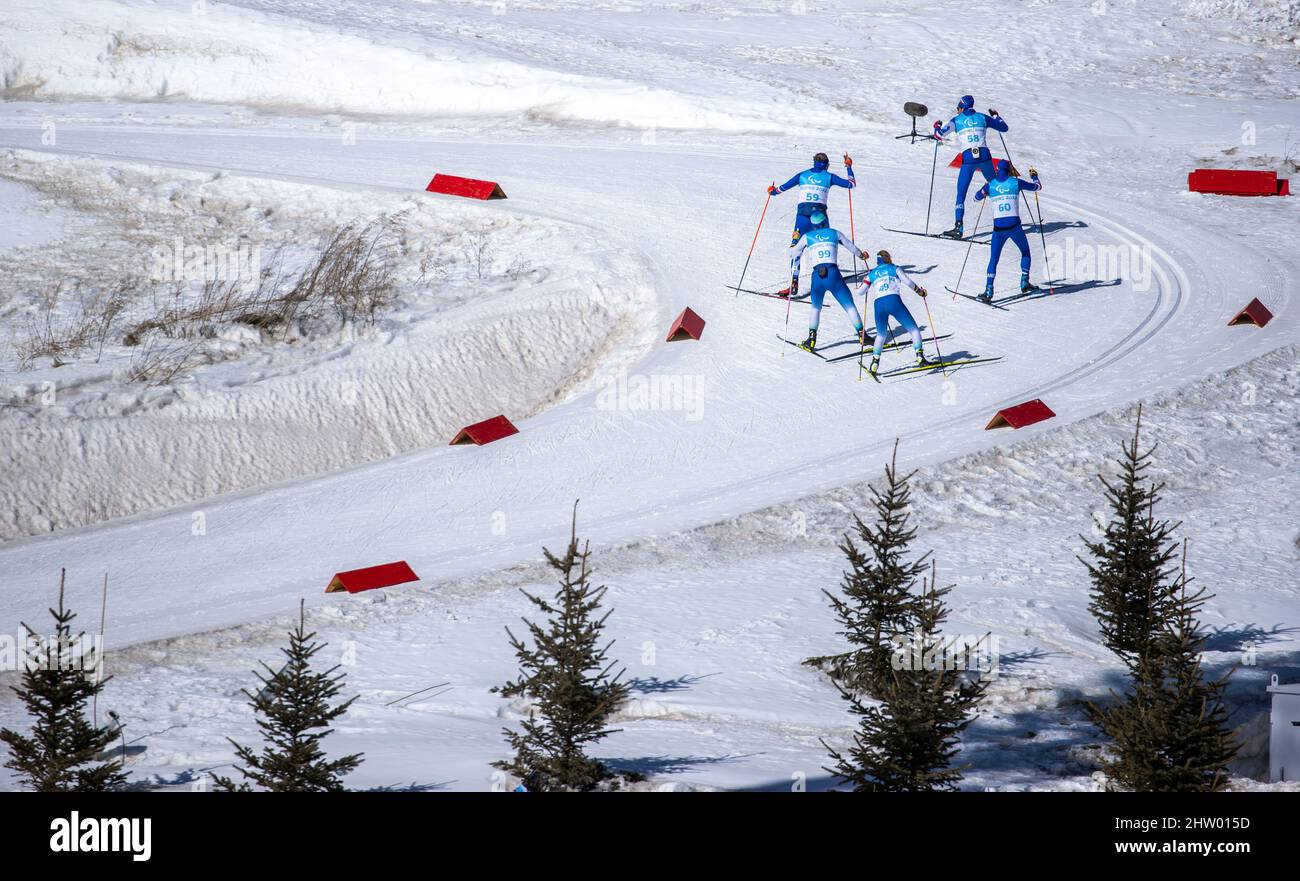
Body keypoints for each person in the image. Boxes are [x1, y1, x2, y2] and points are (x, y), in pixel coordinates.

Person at [788, 210, 867, 352]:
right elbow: (851, 247)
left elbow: (792, 254)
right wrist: (862, 255)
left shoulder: (807, 237)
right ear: (825, 221)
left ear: (812, 225)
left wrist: (794, 240)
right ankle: (862, 335)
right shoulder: (834, 233)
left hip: (817, 277)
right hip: (833, 274)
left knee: (815, 307)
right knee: (849, 304)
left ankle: (811, 339)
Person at [932, 95, 1009, 239]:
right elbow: (1004, 128)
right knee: (997, 187)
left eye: (958, 108)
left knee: (961, 194)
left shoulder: (957, 120)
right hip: (985, 157)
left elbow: (938, 135)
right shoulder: (983, 117)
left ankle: (958, 228)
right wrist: (997, 116)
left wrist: (936, 125)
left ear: (962, 108)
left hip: (968, 160)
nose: (957, 111)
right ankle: (1006, 222)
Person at [768, 152, 857, 273]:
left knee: (796, 247)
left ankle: (793, 281)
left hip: (802, 215)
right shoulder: (829, 177)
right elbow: (851, 184)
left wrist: (772, 191)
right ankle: (826, 272)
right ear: (827, 165)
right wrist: (849, 166)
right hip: (820, 216)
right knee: (824, 242)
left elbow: (779, 190)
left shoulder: (802, 175)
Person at [973, 164, 1042, 300]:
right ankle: (1024, 282)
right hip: (1014, 227)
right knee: (1025, 252)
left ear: (997, 170)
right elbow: (1037, 187)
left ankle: (988, 291)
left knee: (994, 259)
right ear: (1009, 171)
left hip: (998, 229)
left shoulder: (990, 184)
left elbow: (975, 198)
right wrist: (1034, 176)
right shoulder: (1015, 182)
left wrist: (985, 192)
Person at [859, 250, 931, 377]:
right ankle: (920, 357)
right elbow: (908, 282)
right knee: (914, 330)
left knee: (881, 335)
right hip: (894, 301)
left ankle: (874, 363)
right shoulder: (895, 268)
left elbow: (860, 292)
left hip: (879, 305)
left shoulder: (872, 273)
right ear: (888, 258)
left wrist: (865, 283)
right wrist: (920, 292)